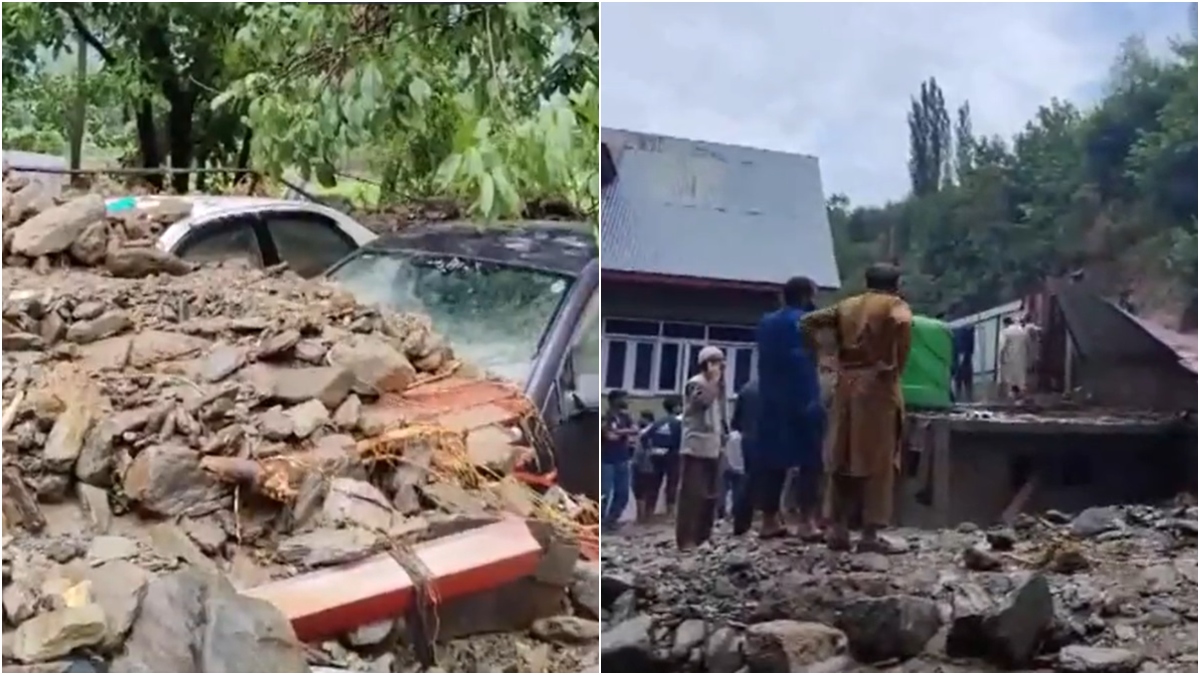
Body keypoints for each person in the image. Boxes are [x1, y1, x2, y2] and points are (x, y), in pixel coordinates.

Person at [799, 263, 912, 553]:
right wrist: (894, 365)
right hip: (878, 388)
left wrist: (826, 355)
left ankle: (838, 528)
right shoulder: (894, 304)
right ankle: (870, 534)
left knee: (842, 455)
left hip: (846, 385)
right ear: (896, 284)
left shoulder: (847, 305)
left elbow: (808, 322)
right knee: (879, 460)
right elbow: (902, 323)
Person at [753, 276, 826, 540]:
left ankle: (769, 520)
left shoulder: (766, 322)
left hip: (770, 399)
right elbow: (813, 358)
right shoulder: (809, 323)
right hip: (803, 398)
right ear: (807, 296)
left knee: (772, 461)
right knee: (810, 462)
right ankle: (807, 521)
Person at [675, 346, 728, 550]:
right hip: (695, 447)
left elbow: (721, 415)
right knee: (692, 495)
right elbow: (703, 402)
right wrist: (714, 382)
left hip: (713, 447)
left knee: (710, 495)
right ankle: (686, 538)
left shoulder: (719, 387)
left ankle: (703, 536)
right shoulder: (696, 383)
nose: (720, 367)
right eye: (715, 363)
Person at [601, 390, 638, 533]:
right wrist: (625, 432)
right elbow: (610, 437)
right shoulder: (606, 417)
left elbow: (635, 430)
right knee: (604, 494)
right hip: (606, 460)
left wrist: (619, 432)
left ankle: (610, 521)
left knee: (623, 494)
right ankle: (601, 524)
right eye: (624, 398)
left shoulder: (625, 416)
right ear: (615, 400)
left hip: (622, 459)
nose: (627, 401)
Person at [730, 377, 761, 535]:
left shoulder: (747, 388)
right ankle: (769, 521)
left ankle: (741, 521)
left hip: (748, 439)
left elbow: (735, 422)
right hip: (769, 439)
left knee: (748, 479)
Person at [631, 411, 658, 523]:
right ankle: (648, 517)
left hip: (643, 465)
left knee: (640, 491)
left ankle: (641, 518)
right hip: (653, 465)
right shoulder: (656, 429)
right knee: (650, 491)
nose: (639, 420)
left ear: (646, 419)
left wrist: (636, 463)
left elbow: (641, 451)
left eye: (641, 418)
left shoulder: (645, 432)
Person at [998, 316, 1029, 399]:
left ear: (1005, 323)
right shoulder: (1022, 331)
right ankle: (1021, 391)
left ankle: (1011, 393)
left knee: (1010, 376)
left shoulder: (1005, 332)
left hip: (1009, 356)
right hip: (1021, 356)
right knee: (1020, 375)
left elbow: (1002, 345)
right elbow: (1027, 343)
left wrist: (1000, 356)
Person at [952, 323, 975, 402]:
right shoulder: (967, 338)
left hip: (961, 365)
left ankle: (959, 399)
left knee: (959, 383)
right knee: (967, 383)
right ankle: (968, 398)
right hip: (966, 364)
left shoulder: (958, 337)